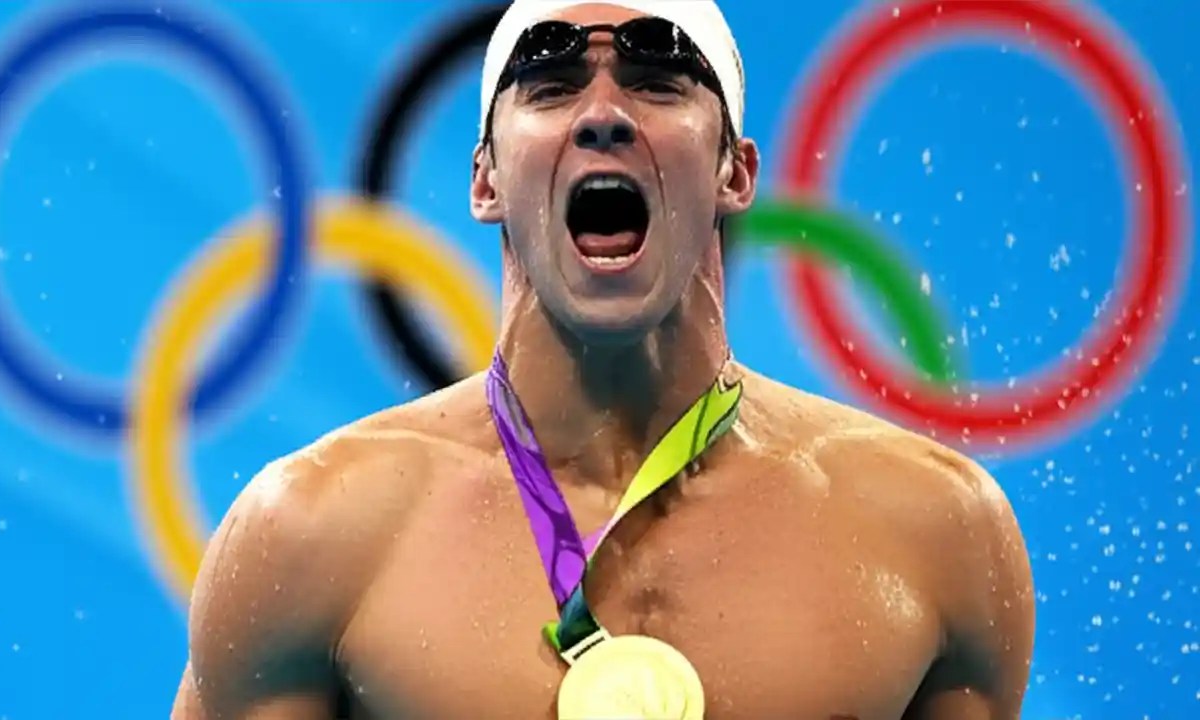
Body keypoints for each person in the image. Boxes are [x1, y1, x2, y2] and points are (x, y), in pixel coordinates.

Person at [170, 0, 1036, 718]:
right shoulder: (317, 532)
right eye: (549, 89)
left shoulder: (933, 531)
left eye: (658, 84)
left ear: (736, 172)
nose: (604, 115)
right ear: (485, 182)